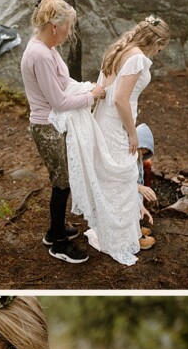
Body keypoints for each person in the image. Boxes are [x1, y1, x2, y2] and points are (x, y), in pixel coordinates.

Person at [51, 15, 171, 265]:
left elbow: (104, 89)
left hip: (104, 120)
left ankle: (125, 231)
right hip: (116, 123)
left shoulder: (121, 49)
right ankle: (115, 239)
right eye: (162, 46)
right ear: (157, 40)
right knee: (122, 177)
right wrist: (132, 132)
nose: (160, 51)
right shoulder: (137, 58)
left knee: (115, 178)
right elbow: (120, 100)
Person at [20, 0, 106, 264]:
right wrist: (92, 96)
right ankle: (57, 243)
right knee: (62, 182)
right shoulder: (40, 55)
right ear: (55, 26)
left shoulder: (48, 49)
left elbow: (65, 83)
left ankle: (54, 230)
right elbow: (58, 100)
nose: (69, 33)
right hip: (47, 126)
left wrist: (86, 87)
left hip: (54, 123)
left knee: (63, 179)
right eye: (68, 27)